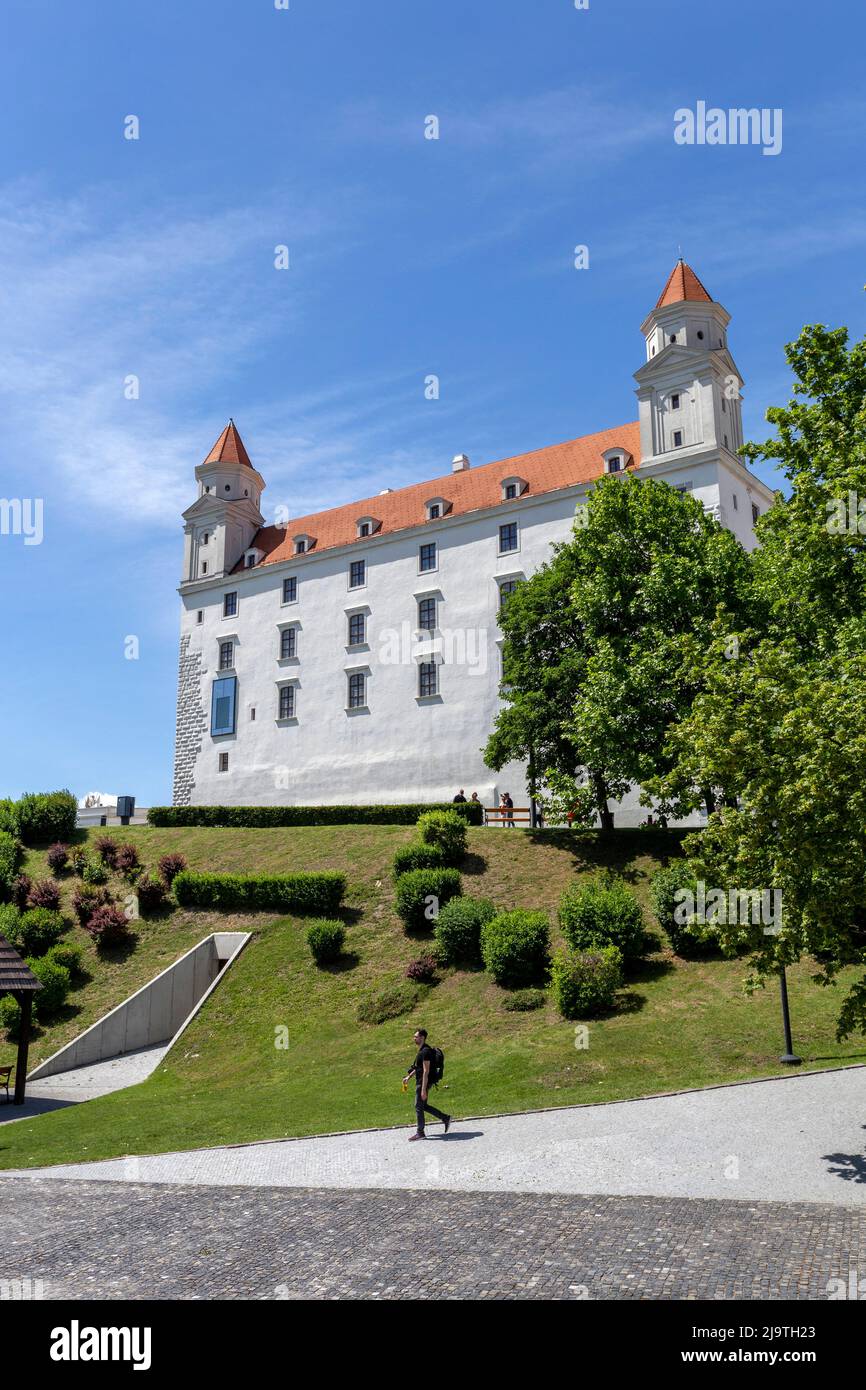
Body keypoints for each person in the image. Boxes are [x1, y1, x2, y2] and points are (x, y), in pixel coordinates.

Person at [403, 1028, 450, 1141]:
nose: (414, 1038)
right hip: (420, 1082)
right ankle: (445, 1118)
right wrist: (408, 1077)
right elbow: (418, 1067)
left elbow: (426, 1071)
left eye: (416, 1036)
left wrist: (423, 1089)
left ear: (422, 1038)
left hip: (423, 1083)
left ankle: (420, 1132)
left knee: (418, 1106)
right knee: (423, 1106)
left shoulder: (426, 1052)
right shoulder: (422, 1050)